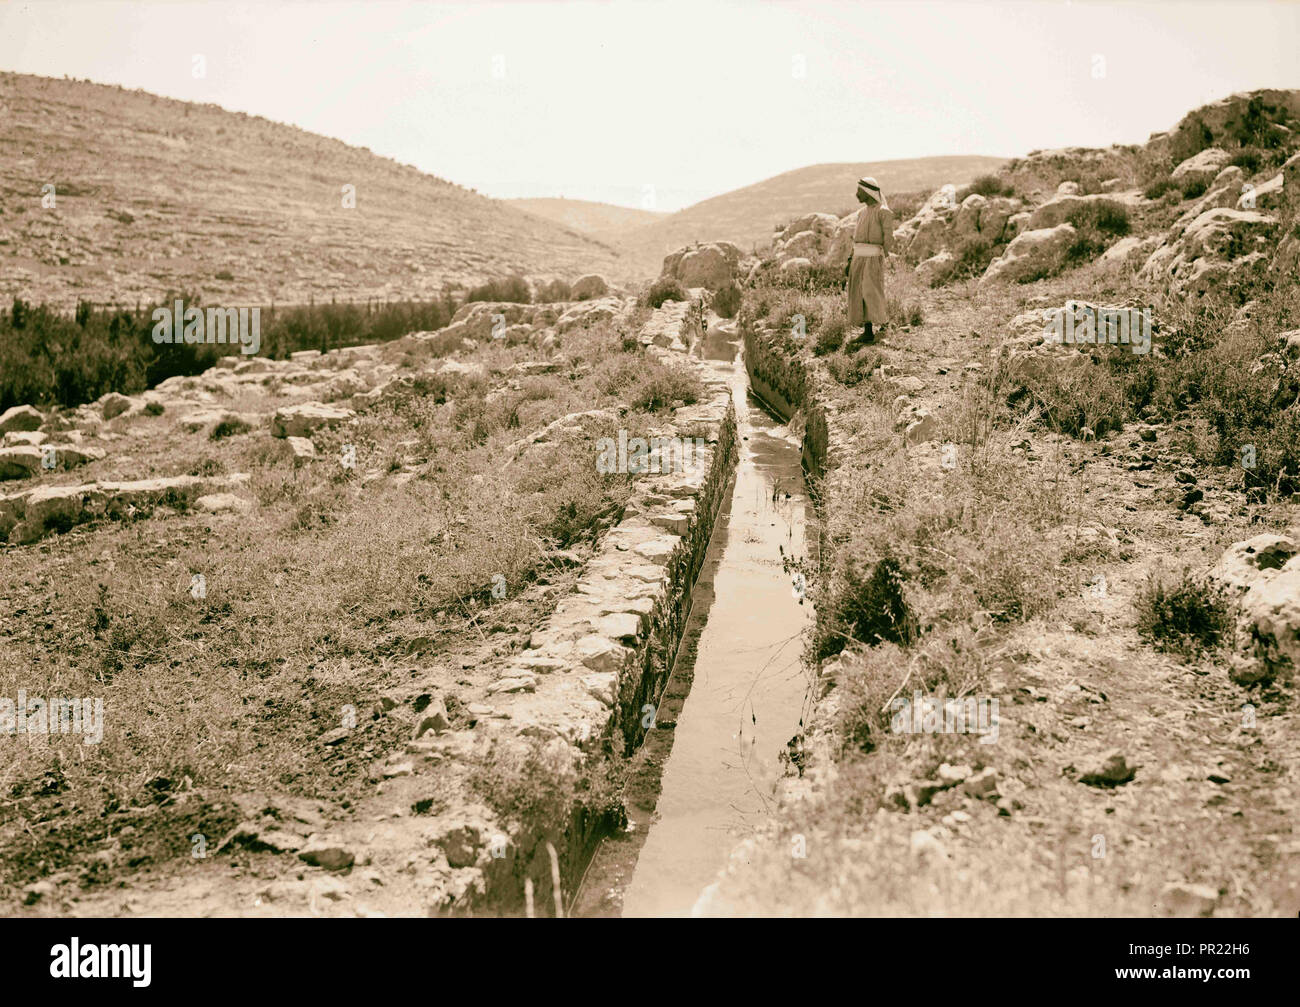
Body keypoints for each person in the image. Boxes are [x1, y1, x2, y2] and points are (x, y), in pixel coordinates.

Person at [846, 176, 895, 347]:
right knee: (859, 293)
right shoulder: (861, 213)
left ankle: (883, 326)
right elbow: (856, 240)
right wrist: (850, 259)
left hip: (873, 258)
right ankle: (867, 332)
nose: (856, 195)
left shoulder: (884, 212)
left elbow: (888, 238)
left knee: (871, 291)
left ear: (867, 192)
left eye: (859, 191)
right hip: (858, 258)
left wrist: (883, 256)